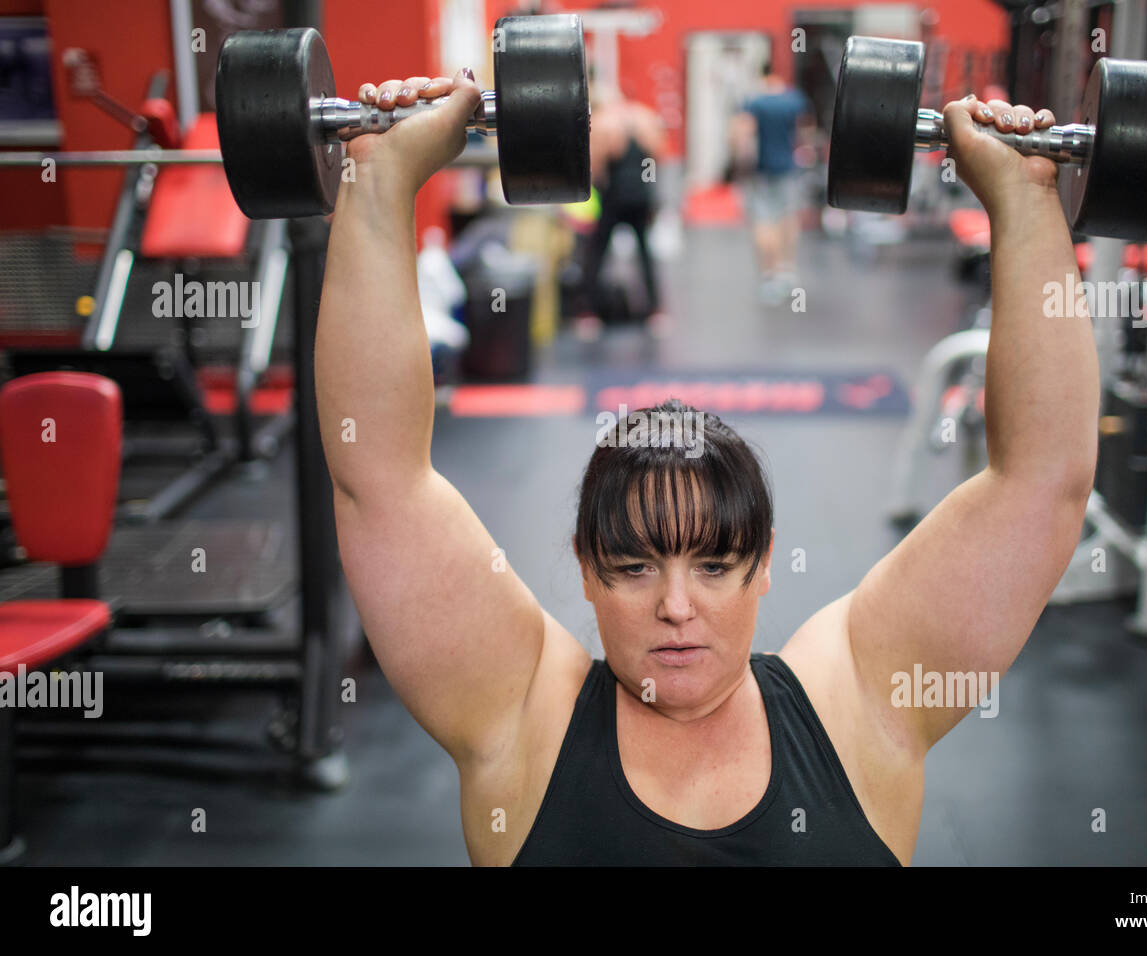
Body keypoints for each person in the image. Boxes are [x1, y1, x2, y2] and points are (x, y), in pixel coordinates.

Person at [320, 71, 1098, 865]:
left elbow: (1043, 483)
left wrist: (1026, 195)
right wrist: (378, 178)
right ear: (586, 571)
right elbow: (377, 478)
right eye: (634, 566)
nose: (677, 607)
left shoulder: (862, 702)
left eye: (716, 563)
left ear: (762, 566)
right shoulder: (520, 718)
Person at [572, 84, 668, 342]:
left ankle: (588, 313)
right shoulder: (646, 117)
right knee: (645, 252)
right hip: (641, 195)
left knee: (597, 252)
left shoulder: (604, 121)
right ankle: (655, 311)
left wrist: (598, 192)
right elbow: (657, 155)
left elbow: (597, 165)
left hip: (614, 196)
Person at [729, 62, 811, 304]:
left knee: (764, 222)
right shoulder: (794, 99)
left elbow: (742, 136)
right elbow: (804, 132)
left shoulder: (754, 102)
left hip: (761, 171)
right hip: (788, 168)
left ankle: (770, 276)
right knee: (787, 217)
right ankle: (787, 269)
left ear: (762, 76)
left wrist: (740, 167)